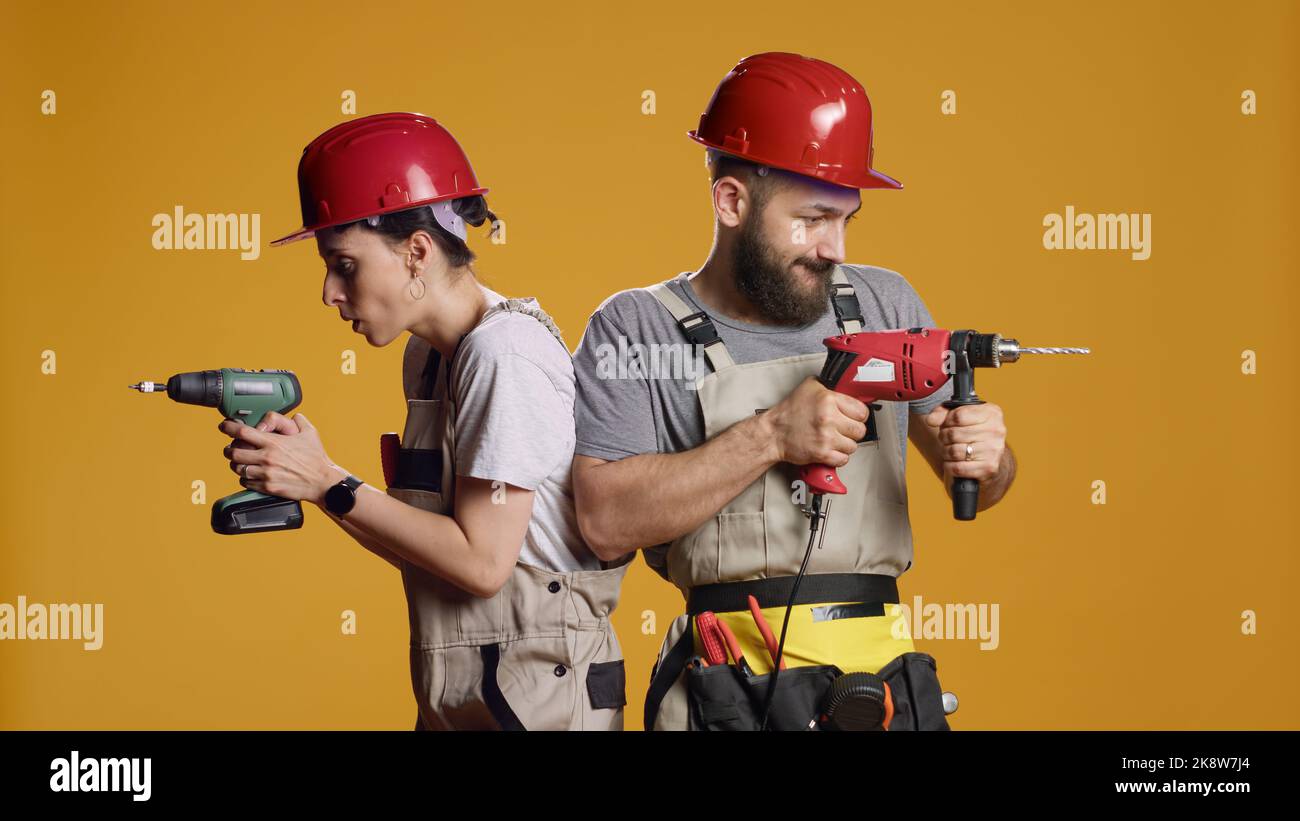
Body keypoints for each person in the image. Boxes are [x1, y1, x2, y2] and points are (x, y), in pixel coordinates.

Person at [569, 54, 1017, 730]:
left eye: (846, 219)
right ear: (731, 201)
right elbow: (603, 519)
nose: (833, 245)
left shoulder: (885, 302)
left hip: (878, 682)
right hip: (728, 685)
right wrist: (773, 433)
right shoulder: (635, 327)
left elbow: (982, 485)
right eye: (811, 218)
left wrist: (988, 458)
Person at [221, 112, 631, 730]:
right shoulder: (432, 357)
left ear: (417, 251)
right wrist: (316, 482)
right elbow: (434, 551)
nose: (329, 292)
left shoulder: (504, 354)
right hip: (470, 689)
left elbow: (483, 565)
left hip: (539, 697)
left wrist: (330, 481)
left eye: (346, 264)